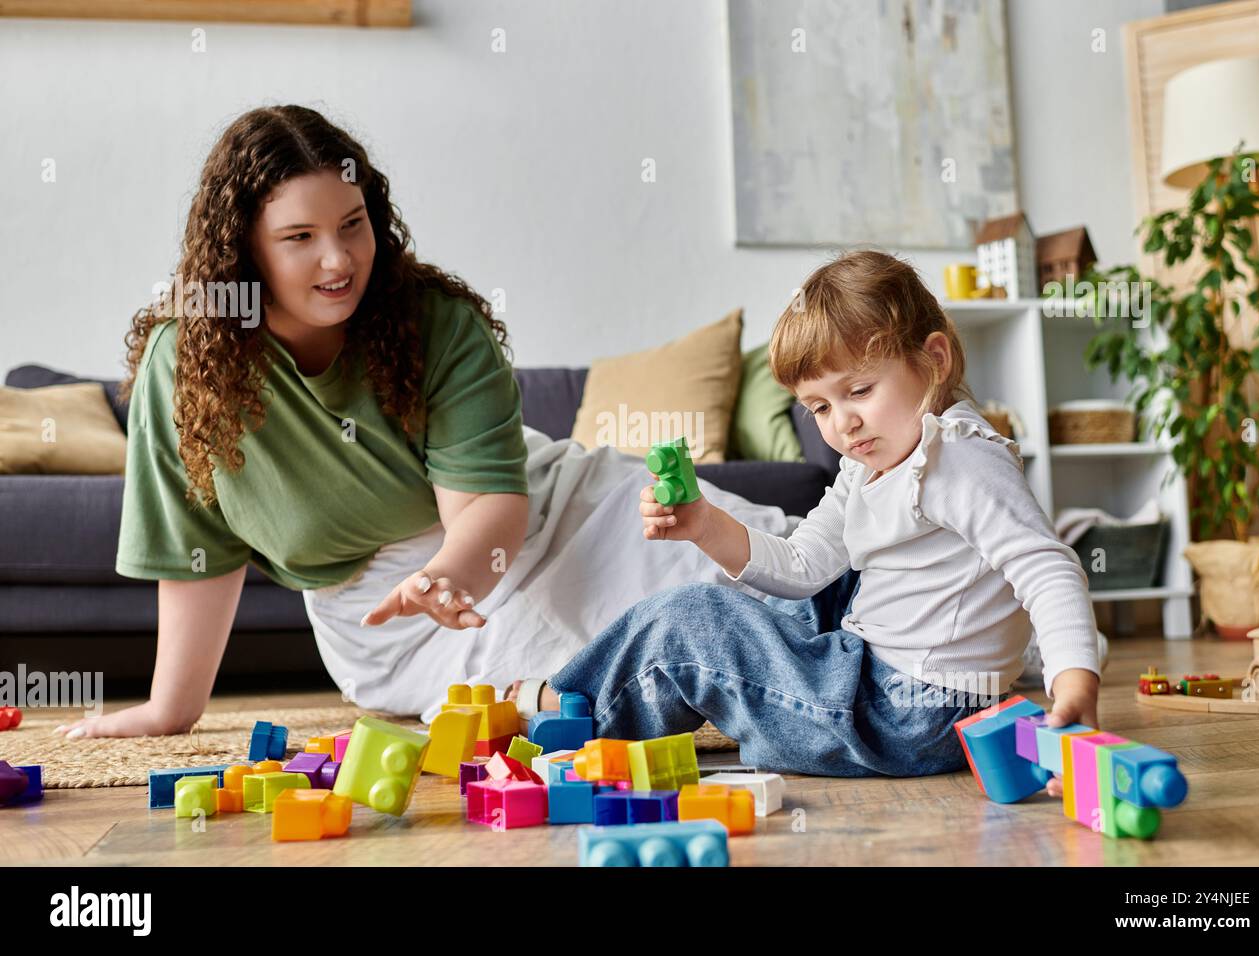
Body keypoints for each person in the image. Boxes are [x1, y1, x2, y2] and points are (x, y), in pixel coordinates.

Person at [54, 105, 790, 739]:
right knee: (570, 696)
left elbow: (488, 509)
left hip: (538, 524)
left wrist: (447, 579)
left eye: (352, 224)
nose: (338, 259)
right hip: (389, 630)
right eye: (299, 237)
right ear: (243, 249)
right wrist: (168, 708)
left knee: (773, 581)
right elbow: (197, 550)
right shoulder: (185, 366)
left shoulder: (434, 322)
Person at [508, 249, 1105, 784]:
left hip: (909, 713)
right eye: (819, 406)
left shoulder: (958, 459)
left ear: (934, 360)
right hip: (900, 686)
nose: (842, 423)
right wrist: (702, 523)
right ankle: (686, 685)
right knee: (811, 594)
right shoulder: (871, 461)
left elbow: (1047, 570)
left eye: (860, 391)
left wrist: (1074, 681)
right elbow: (801, 564)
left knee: (689, 623)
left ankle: (573, 711)